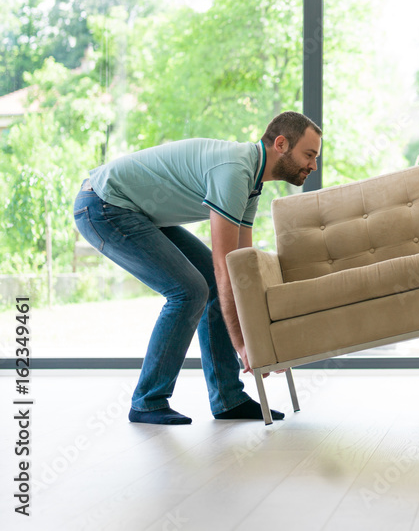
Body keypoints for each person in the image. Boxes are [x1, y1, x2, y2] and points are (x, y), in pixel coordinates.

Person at [73, 111, 322, 425]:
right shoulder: (234, 171)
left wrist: (263, 338)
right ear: (282, 144)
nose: (313, 165)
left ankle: (229, 398)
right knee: (189, 290)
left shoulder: (251, 182)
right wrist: (243, 344)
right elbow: (223, 266)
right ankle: (148, 401)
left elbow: (240, 269)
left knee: (213, 288)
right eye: (309, 155)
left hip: (136, 212)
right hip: (103, 205)